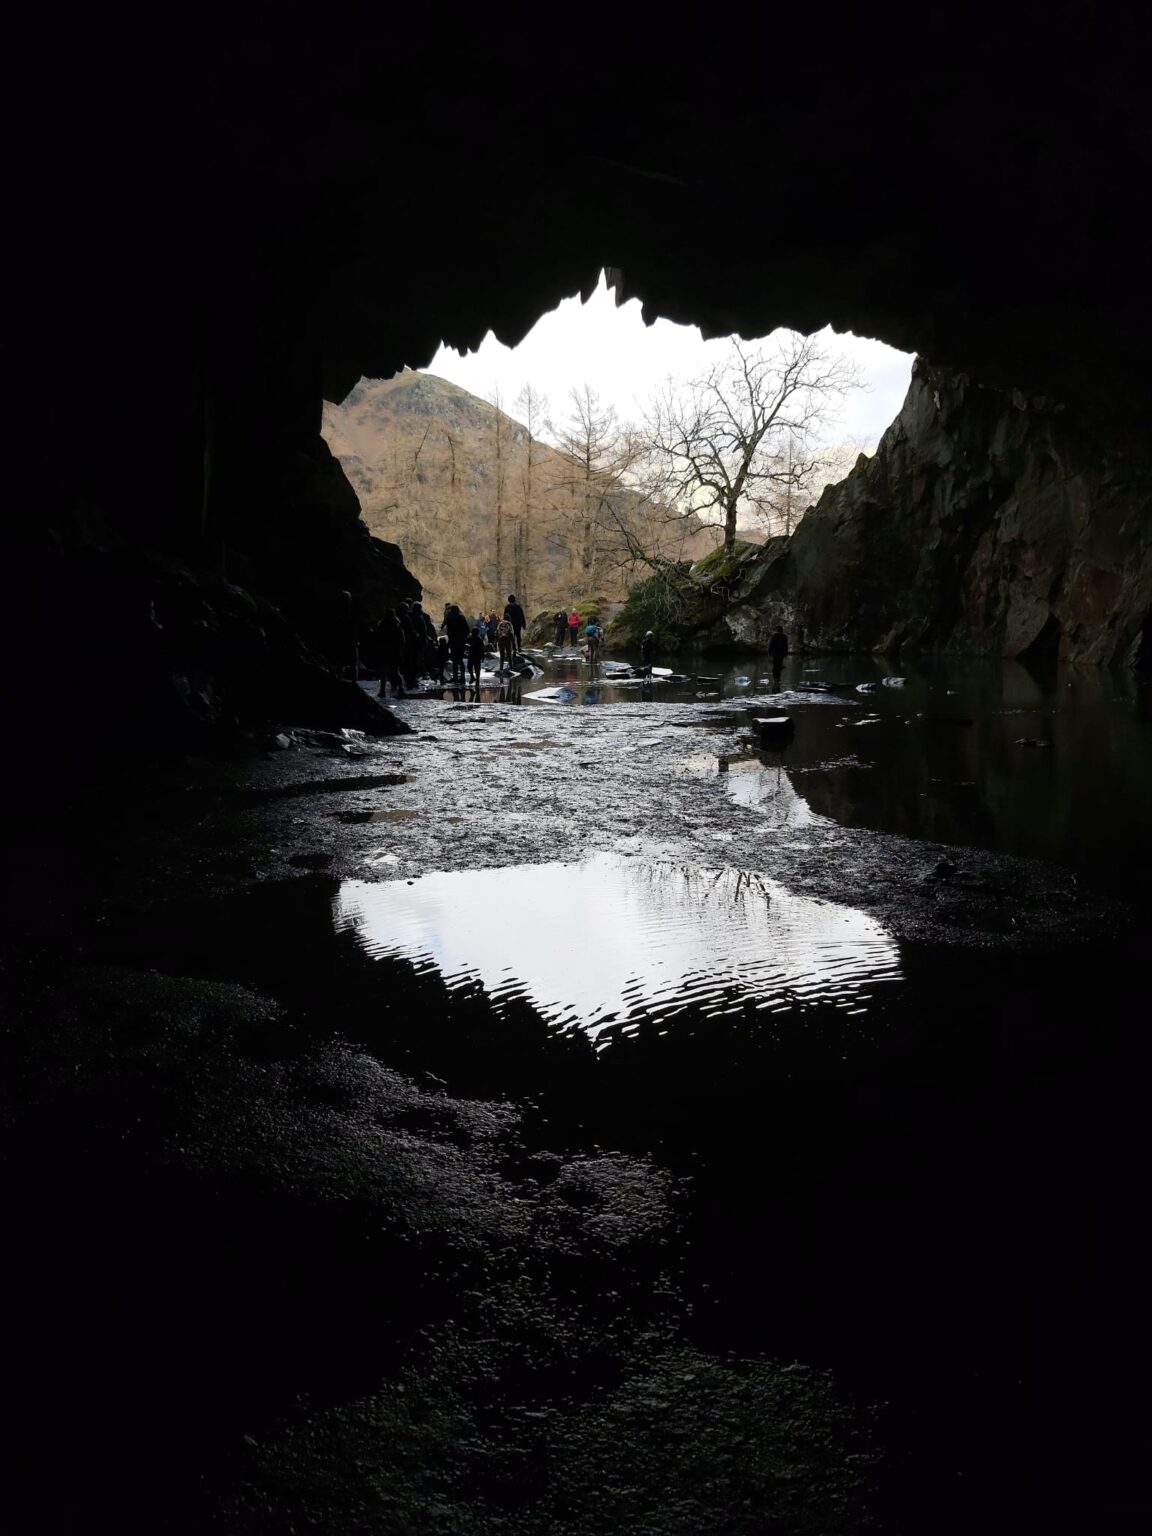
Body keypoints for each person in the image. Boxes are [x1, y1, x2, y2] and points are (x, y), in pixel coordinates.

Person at [370, 607, 405, 698]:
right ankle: (401, 689)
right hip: (394, 652)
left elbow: (376, 638)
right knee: (396, 672)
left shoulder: (382, 625)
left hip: (384, 652)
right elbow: (402, 640)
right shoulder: (397, 626)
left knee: (384, 672)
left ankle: (382, 691)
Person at [444, 602, 471, 685]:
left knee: (454, 660)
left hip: (453, 641)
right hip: (461, 641)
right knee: (460, 660)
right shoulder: (461, 617)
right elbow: (467, 630)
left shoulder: (450, 618)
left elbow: (448, 630)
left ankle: (455, 677)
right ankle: (462, 677)